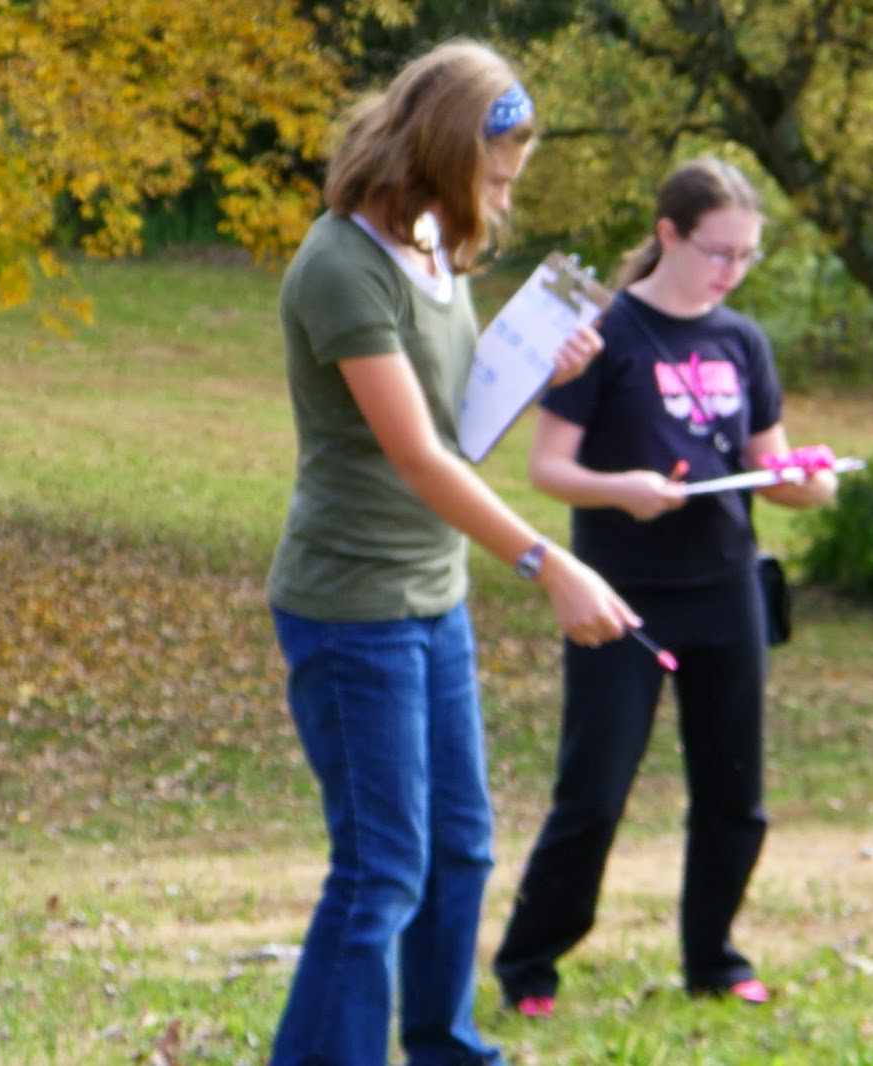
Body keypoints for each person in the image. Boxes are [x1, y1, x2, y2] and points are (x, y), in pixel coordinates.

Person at [264, 39, 638, 1066]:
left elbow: (457, 423)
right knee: (383, 866)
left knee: (459, 847)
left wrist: (531, 370)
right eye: (498, 178)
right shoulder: (341, 264)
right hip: (352, 605)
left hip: (432, 592)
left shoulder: (430, 241)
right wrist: (547, 562)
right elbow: (420, 459)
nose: (505, 203)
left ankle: (444, 1047)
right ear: (440, 151)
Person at [492, 157, 838, 1017]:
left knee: (734, 793)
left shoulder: (743, 342)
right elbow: (548, 470)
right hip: (623, 594)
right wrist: (626, 489)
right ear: (668, 236)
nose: (730, 270)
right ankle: (531, 965)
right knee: (595, 792)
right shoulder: (600, 333)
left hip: (727, 586)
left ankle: (714, 959)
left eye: (746, 256)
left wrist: (808, 479)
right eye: (717, 250)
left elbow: (769, 464)